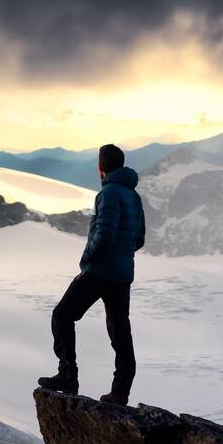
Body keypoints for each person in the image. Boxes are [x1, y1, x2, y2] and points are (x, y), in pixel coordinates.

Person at [38, 143, 145, 405]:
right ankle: (120, 392)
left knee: (62, 314)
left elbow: (104, 234)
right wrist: (123, 254)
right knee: (120, 330)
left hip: (100, 271)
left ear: (101, 166)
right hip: (122, 274)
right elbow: (139, 239)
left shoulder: (108, 194)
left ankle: (68, 376)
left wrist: (88, 257)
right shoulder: (133, 195)